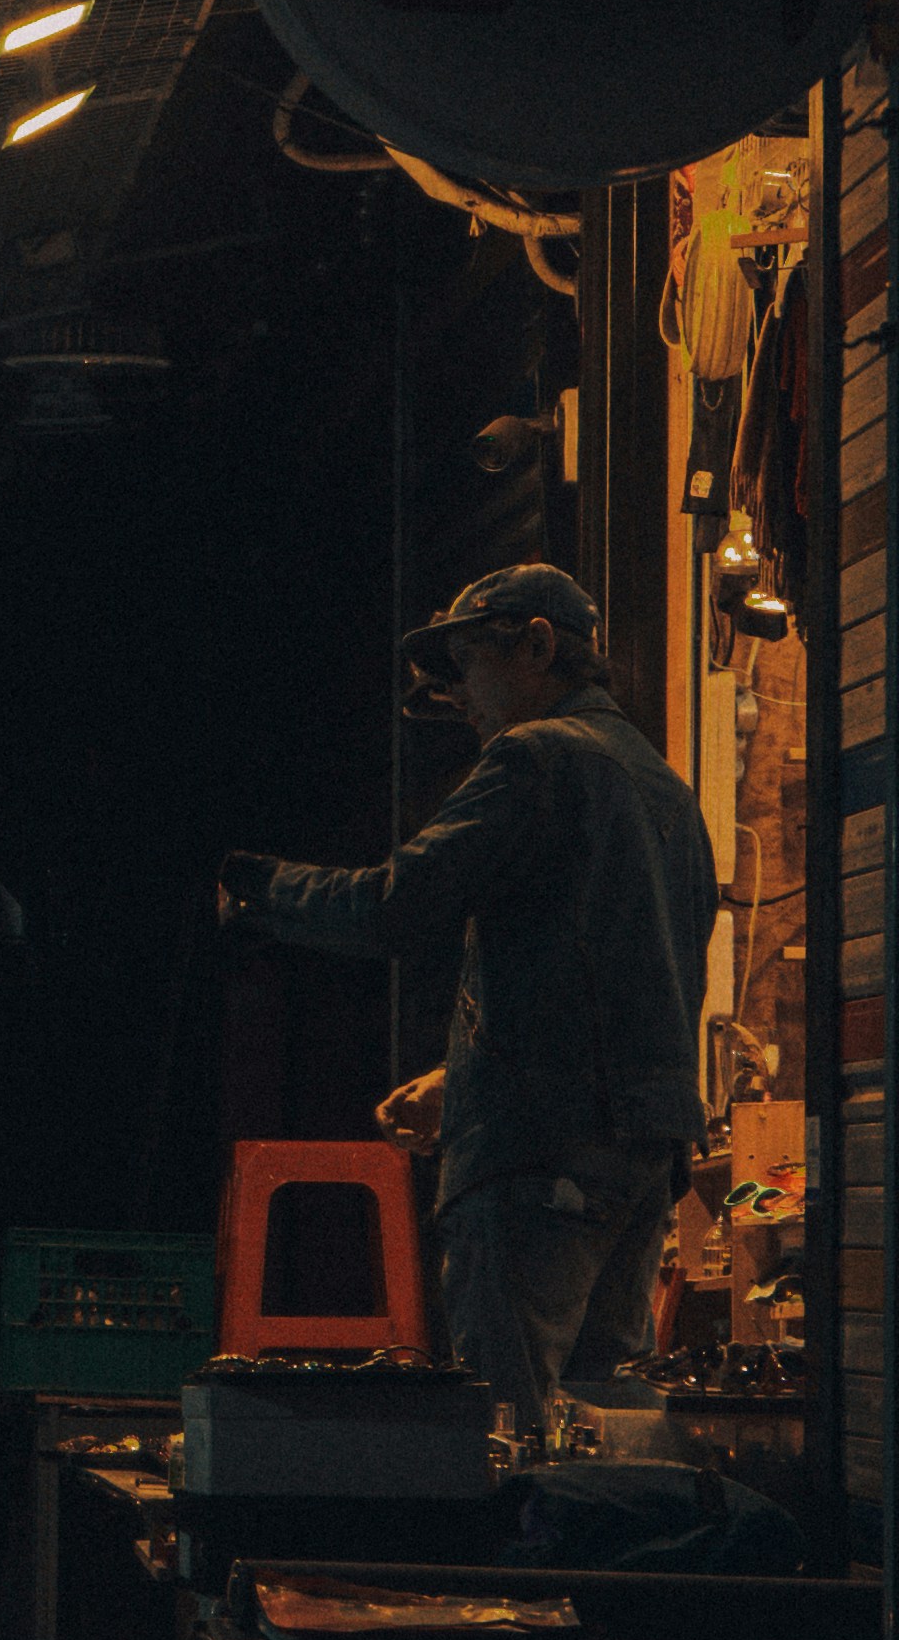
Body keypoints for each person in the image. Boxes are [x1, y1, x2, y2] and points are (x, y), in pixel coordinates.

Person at [216, 561, 717, 1437]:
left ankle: (527, 1575)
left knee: (504, 1431)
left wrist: (254, 889)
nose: (466, 701)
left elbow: (393, 907)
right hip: (642, 1157)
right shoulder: (667, 790)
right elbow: (635, 980)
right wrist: (460, 1075)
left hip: (538, 1158)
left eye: (471, 668)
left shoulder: (538, 757)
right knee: (606, 1427)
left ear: (535, 645)